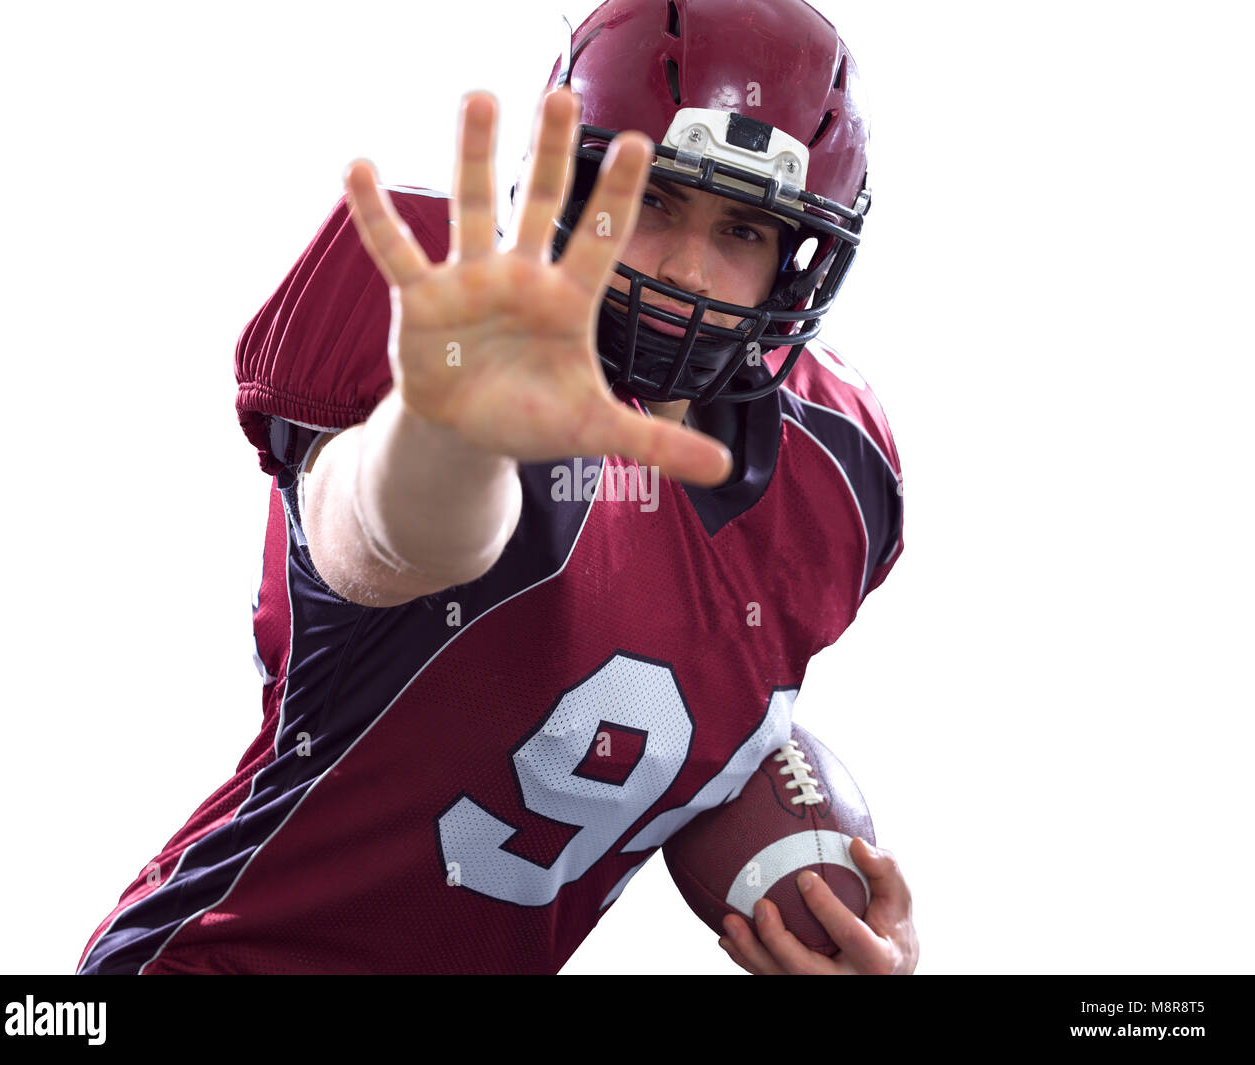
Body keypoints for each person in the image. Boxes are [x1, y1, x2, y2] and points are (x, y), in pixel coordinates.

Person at [76, 0, 917, 975]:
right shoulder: (456, 334)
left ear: (797, 260)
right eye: (649, 201)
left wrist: (832, 914)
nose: (690, 269)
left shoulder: (838, 472)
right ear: (569, 189)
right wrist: (444, 432)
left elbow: (666, 708)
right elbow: (377, 539)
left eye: (741, 227)